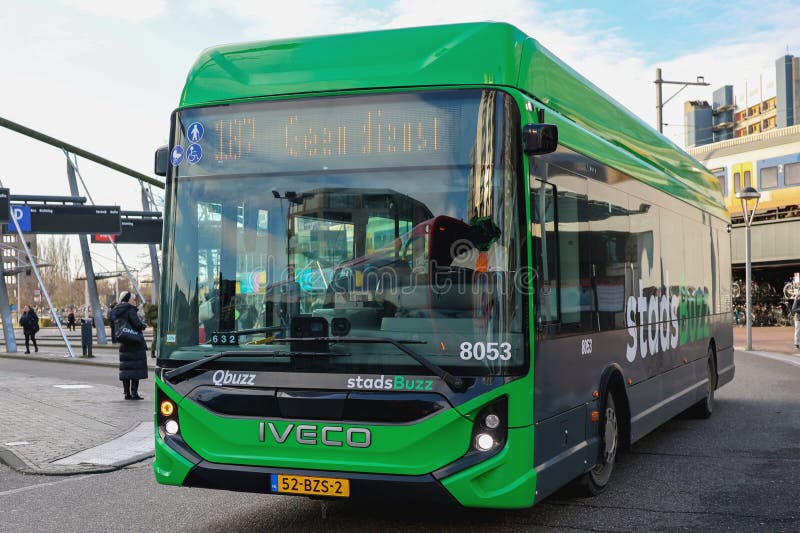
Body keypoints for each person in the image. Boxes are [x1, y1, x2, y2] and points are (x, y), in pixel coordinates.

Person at [112, 291, 147, 400]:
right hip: (134, 343)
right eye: (133, 299)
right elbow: (137, 324)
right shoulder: (130, 310)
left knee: (126, 369)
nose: (134, 301)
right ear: (128, 299)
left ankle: (127, 393)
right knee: (135, 368)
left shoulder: (116, 310)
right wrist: (143, 325)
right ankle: (134, 393)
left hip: (124, 342)